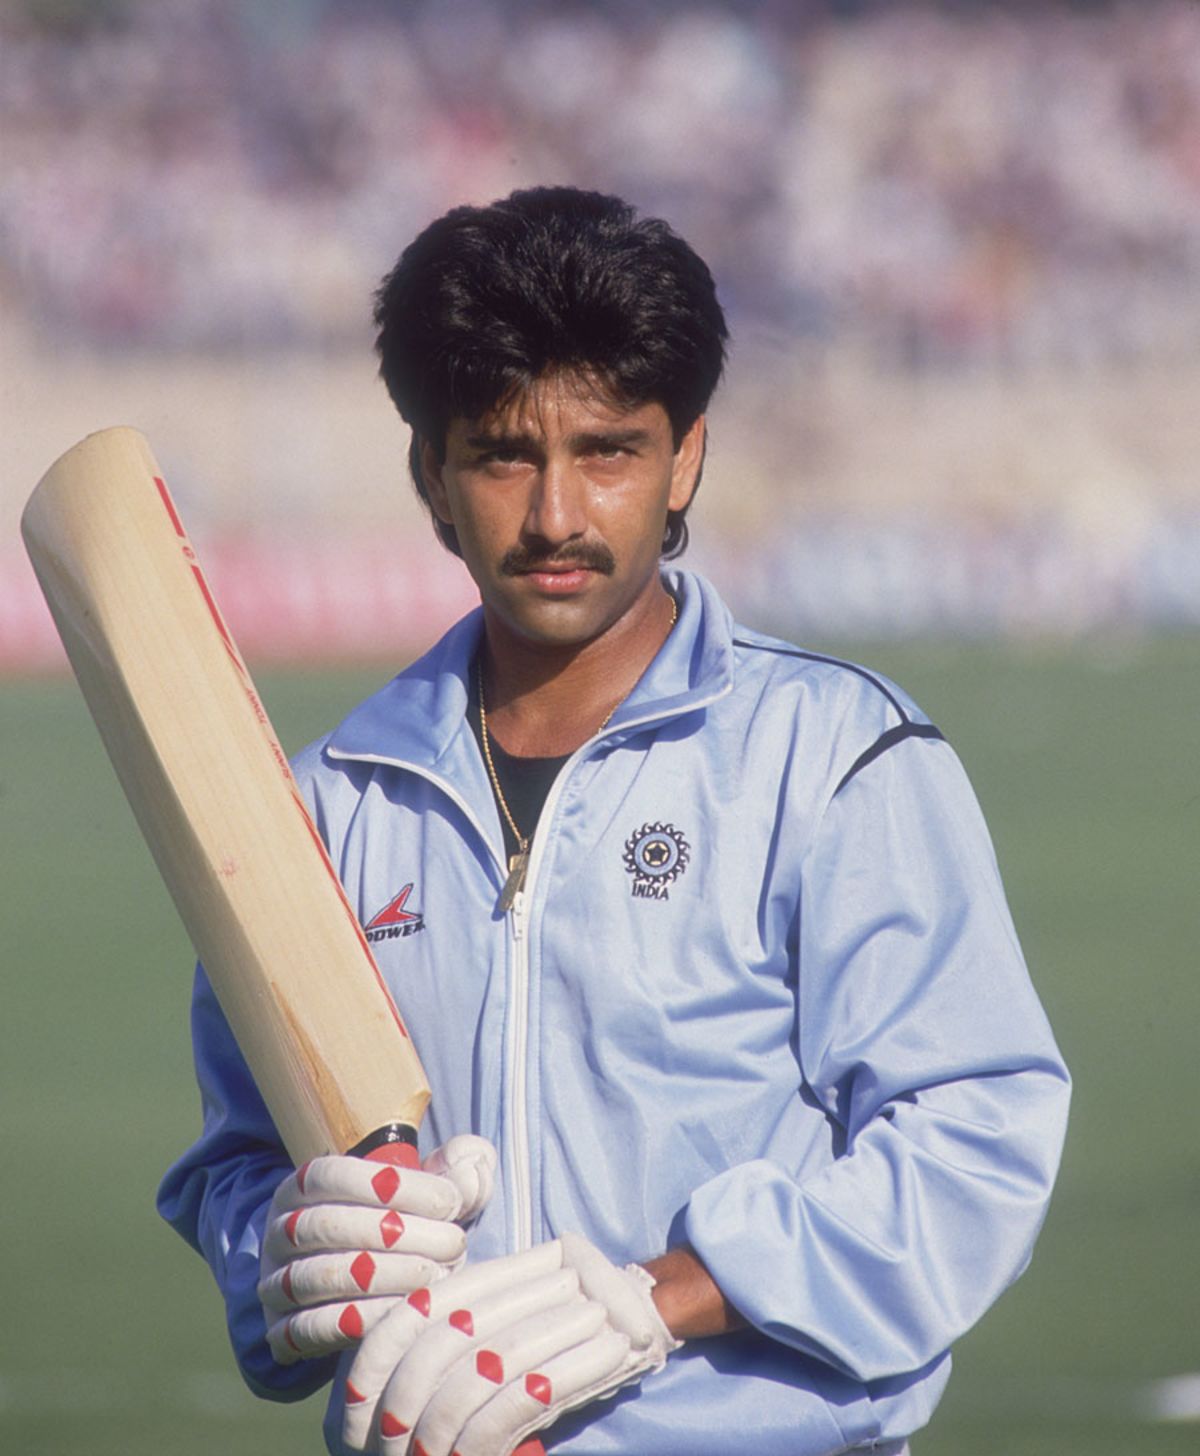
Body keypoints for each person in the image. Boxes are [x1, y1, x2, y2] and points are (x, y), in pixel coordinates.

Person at [158, 186, 1070, 1456]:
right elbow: (241, 1165)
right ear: (431, 472)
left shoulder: (832, 755)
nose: (556, 516)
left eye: (608, 451)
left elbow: (976, 1145)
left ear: (685, 457)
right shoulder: (326, 805)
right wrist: (288, 1246)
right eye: (502, 454)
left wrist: (665, 1295)